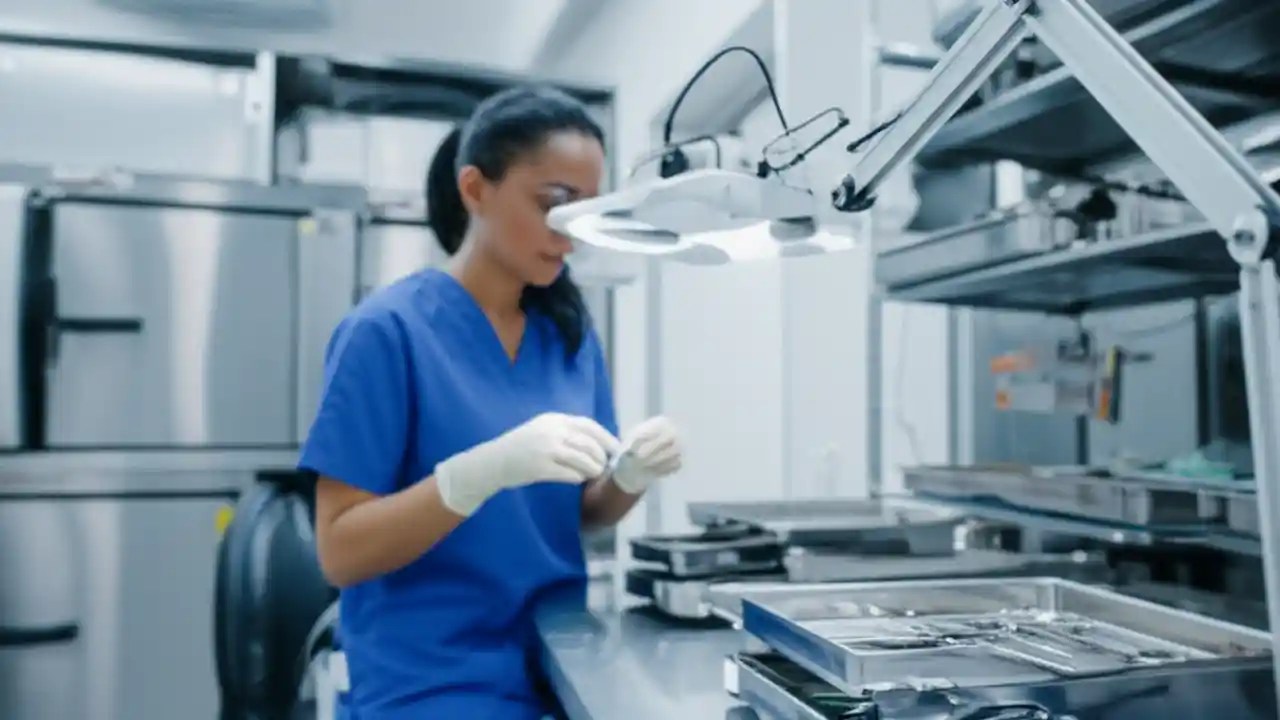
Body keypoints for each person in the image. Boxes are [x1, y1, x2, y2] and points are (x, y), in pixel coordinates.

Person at [298, 85, 684, 719]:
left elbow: (582, 513)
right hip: (431, 684)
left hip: (560, 667)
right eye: (554, 205)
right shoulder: (386, 333)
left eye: (588, 211)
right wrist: (476, 476)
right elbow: (340, 552)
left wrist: (631, 474)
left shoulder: (569, 336)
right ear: (475, 189)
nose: (572, 234)